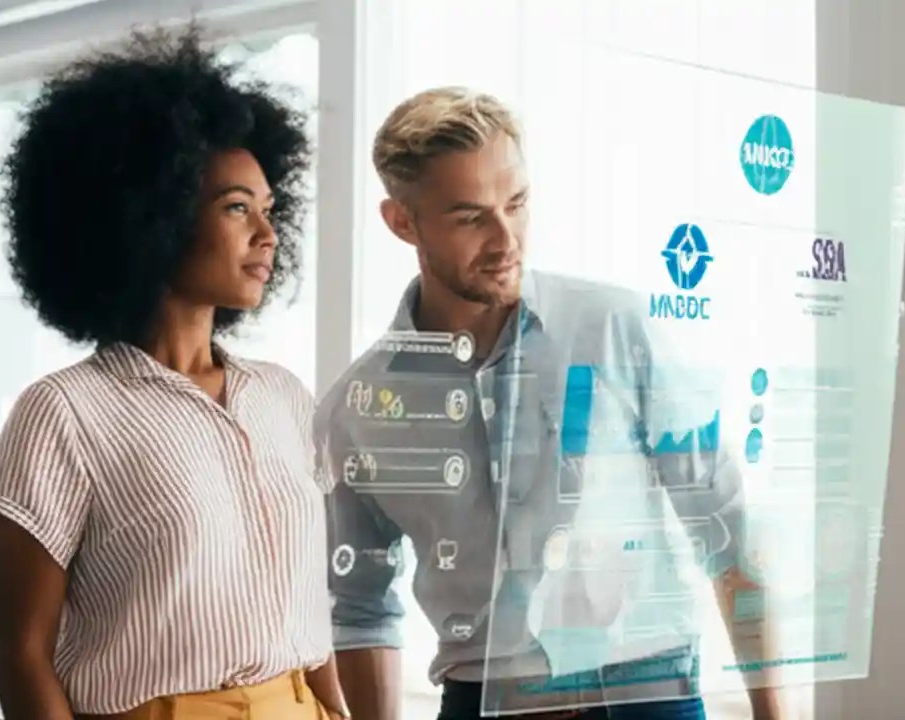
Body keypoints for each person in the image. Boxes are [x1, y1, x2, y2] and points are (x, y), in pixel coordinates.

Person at [319, 88, 785, 720]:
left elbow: (728, 528)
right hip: (478, 697)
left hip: (646, 695)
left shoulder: (616, 328)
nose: (505, 238)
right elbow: (360, 606)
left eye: (516, 203)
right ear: (402, 221)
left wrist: (773, 713)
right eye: (469, 217)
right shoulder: (358, 408)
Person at [0, 26, 346, 720]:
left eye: (270, 211)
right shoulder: (62, 413)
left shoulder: (283, 397)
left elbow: (310, 611)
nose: (267, 235)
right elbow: (23, 655)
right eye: (237, 208)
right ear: (155, 214)